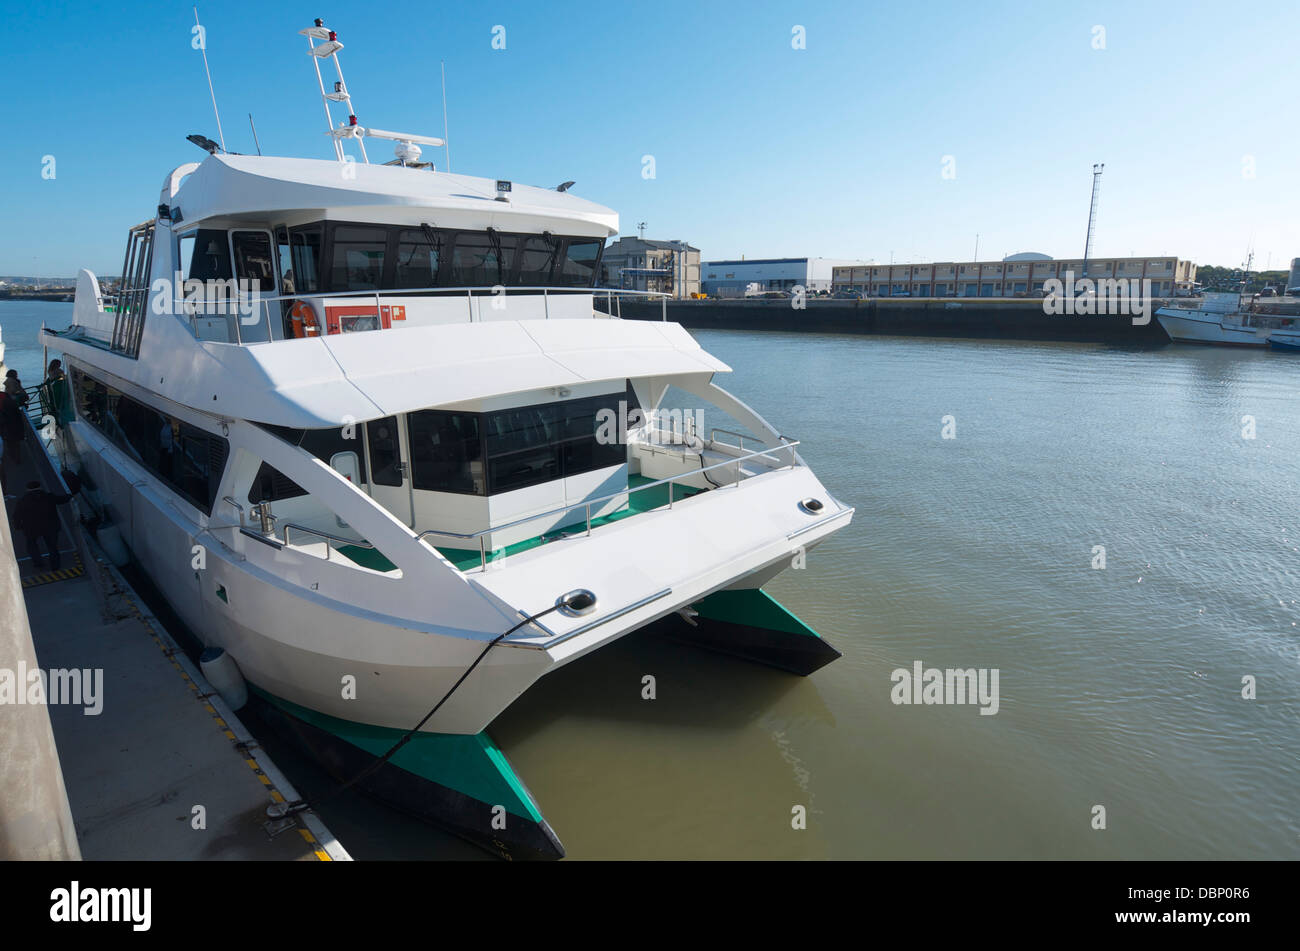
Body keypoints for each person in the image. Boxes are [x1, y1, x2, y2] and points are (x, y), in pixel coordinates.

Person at [13, 479, 75, 571]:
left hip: (31, 528)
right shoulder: (49, 497)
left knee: (32, 544)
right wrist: (71, 495)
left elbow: (16, 516)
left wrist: (18, 526)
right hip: (50, 526)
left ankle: (38, 562)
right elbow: (62, 499)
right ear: (40, 487)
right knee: (52, 546)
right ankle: (55, 565)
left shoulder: (22, 501)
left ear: (27, 490)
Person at [43, 360, 73, 426]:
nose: (60, 365)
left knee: (54, 401)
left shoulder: (50, 370)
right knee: (61, 399)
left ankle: (56, 411)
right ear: (57, 364)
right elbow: (63, 375)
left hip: (52, 387)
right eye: (59, 364)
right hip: (57, 386)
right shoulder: (57, 370)